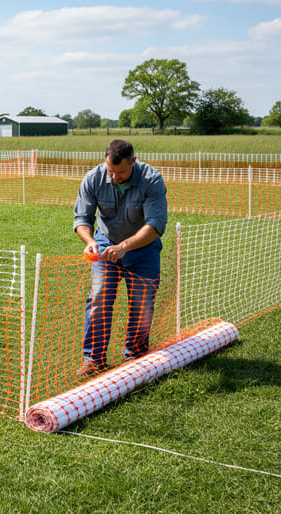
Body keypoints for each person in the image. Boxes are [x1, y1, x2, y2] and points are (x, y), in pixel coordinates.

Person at [73, 139, 168, 377]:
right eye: (110, 171)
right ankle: (93, 359)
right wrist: (90, 242)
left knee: (142, 302)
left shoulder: (152, 180)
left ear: (133, 162)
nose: (114, 177)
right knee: (99, 298)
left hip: (143, 247)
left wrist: (125, 246)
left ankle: (135, 358)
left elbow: (156, 225)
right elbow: (82, 219)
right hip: (105, 243)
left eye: (121, 172)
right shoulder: (93, 178)